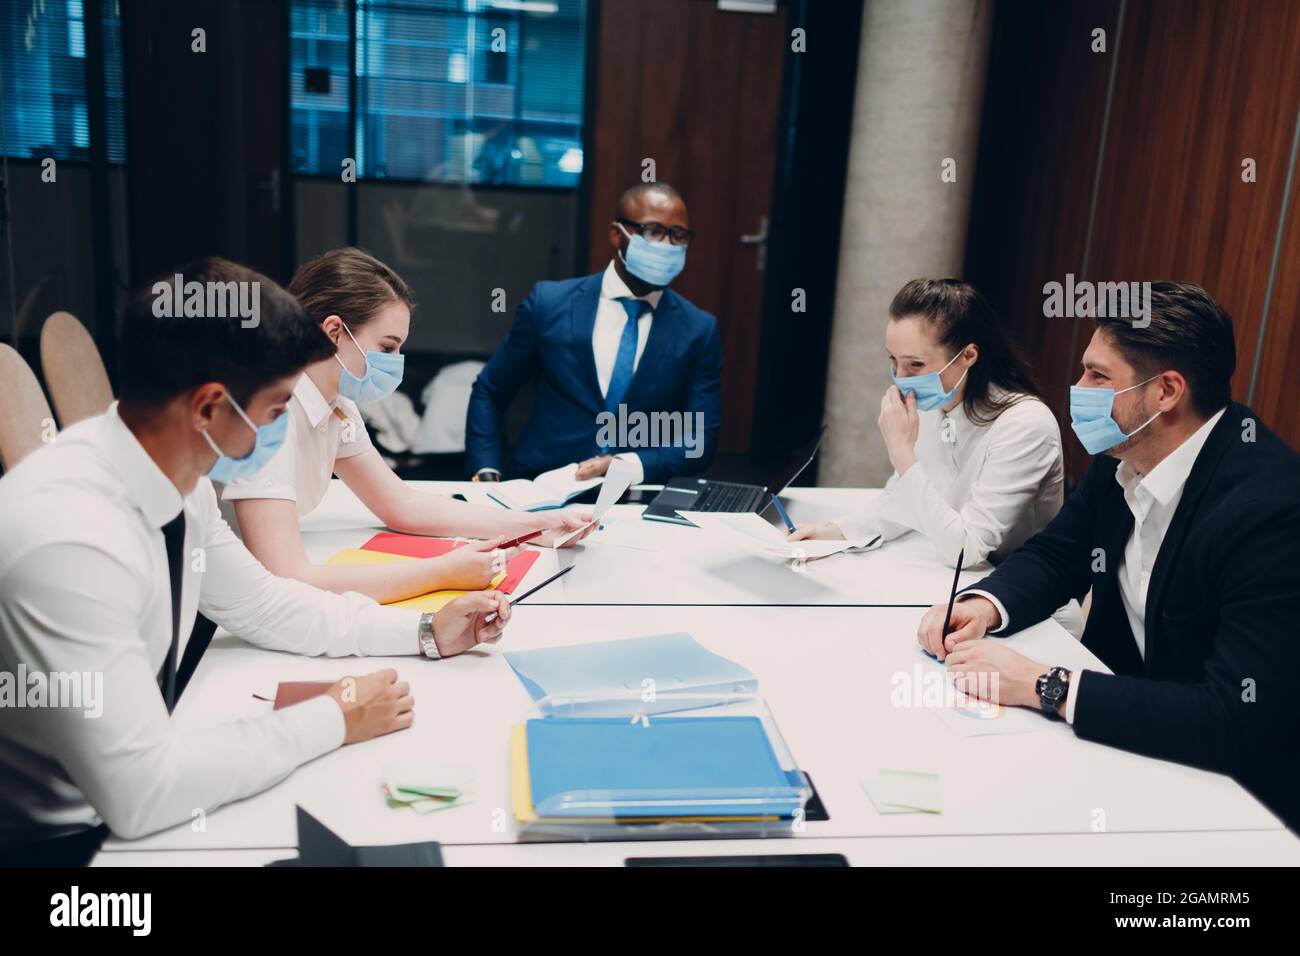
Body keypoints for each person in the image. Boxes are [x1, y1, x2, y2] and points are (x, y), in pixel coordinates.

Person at [0, 258, 512, 863]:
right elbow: (141, 793)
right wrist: (335, 717)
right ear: (210, 407)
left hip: (134, 776)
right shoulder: (70, 539)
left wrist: (426, 631)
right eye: (274, 410)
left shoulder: (176, 473)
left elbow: (262, 603)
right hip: (65, 843)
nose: (281, 426)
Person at [916, 281, 1300, 830]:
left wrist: (1045, 685)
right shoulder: (1126, 453)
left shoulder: (1269, 512)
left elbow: (1234, 721)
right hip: (1121, 748)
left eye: (1098, 375)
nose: (1078, 388)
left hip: (1231, 800)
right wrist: (985, 605)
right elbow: (1058, 555)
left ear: (1167, 391)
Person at [223, 248, 593, 605]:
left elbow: (401, 504)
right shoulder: (269, 412)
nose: (396, 363)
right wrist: (443, 572)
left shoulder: (335, 403)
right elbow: (288, 577)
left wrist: (536, 525)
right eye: (387, 348)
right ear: (334, 331)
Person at [792, 279, 1064, 569]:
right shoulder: (934, 405)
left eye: (915, 365)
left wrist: (902, 453)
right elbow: (901, 503)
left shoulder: (1026, 426)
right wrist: (837, 533)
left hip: (1019, 594)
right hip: (963, 581)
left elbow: (966, 550)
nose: (901, 378)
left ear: (968, 356)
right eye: (894, 361)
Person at [465, 181, 722, 485]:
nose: (666, 245)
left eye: (677, 235)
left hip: (637, 496)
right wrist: (486, 468)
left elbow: (699, 437)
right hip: (540, 486)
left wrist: (625, 465)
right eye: (653, 231)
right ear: (617, 234)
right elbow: (490, 391)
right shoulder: (549, 304)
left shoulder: (698, 329)